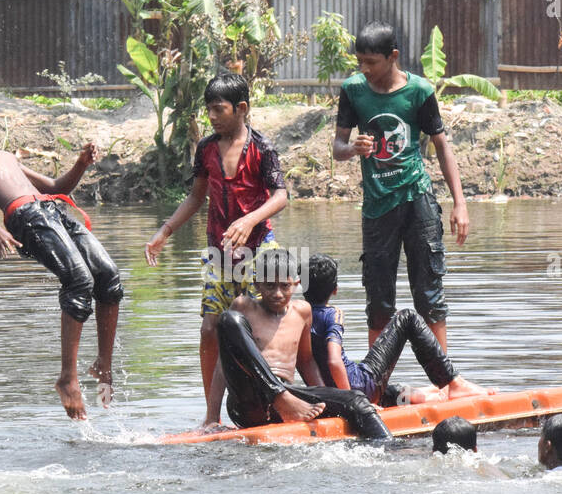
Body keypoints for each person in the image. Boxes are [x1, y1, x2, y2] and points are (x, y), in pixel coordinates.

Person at [0, 143, 122, 420]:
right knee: (78, 281)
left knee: (108, 276)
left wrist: (80, 164)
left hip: (51, 209)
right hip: (26, 216)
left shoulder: (3, 156)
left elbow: (57, 186)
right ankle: (68, 378)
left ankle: (104, 363)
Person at [143, 73, 288, 410]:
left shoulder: (262, 148)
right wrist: (164, 232)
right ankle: (212, 415)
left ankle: (268, 401)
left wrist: (249, 218)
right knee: (210, 328)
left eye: (218, 110)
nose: (211, 116)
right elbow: (195, 198)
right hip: (218, 253)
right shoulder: (206, 148)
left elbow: (281, 196)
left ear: (241, 108)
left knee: (261, 327)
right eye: (208, 110)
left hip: (258, 249)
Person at [331, 21, 469, 351]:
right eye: (359, 62)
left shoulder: (419, 91)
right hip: (377, 207)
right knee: (378, 301)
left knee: (429, 294)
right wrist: (353, 149)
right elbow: (337, 147)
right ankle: (376, 384)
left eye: (371, 62)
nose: (364, 69)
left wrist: (459, 203)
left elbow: (441, 145)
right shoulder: (353, 90)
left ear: (392, 56)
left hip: (416, 198)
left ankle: (443, 382)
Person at [203, 249, 392, 441]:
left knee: (357, 400)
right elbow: (222, 364)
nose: (277, 293)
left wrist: (331, 398)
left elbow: (306, 362)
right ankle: (279, 396)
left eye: (284, 286)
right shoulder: (244, 306)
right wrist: (211, 419)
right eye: (269, 286)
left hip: (289, 400)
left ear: (296, 284)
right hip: (248, 400)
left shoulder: (302, 311)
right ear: (257, 285)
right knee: (229, 319)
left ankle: (390, 449)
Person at [304, 253, 492, 406]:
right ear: (335, 289)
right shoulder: (332, 314)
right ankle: (454, 383)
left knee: (399, 392)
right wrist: (353, 402)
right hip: (359, 387)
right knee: (408, 317)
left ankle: (430, 395)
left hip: (337, 390)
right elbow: (335, 361)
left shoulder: (298, 318)